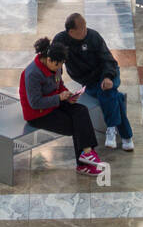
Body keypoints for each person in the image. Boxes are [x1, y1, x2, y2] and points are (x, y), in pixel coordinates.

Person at [19, 37, 104, 176]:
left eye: (62, 65)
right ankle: (84, 162)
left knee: (81, 111)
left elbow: (59, 84)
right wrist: (58, 97)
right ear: (49, 60)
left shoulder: (55, 66)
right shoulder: (32, 74)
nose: (60, 68)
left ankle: (87, 154)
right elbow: (35, 103)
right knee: (76, 125)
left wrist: (67, 95)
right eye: (58, 65)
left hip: (55, 102)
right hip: (38, 113)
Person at [51, 13, 134, 151]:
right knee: (114, 97)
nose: (86, 30)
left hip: (109, 74)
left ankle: (112, 128)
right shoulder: (60, 41)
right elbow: (55, 64)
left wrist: (107, 77)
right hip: (89, 81)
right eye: (82, 28)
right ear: (71, 32)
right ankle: (126, 137)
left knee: (106, 90)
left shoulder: (93, 36)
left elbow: (108, 60)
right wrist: (57, 86)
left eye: (85, 26)